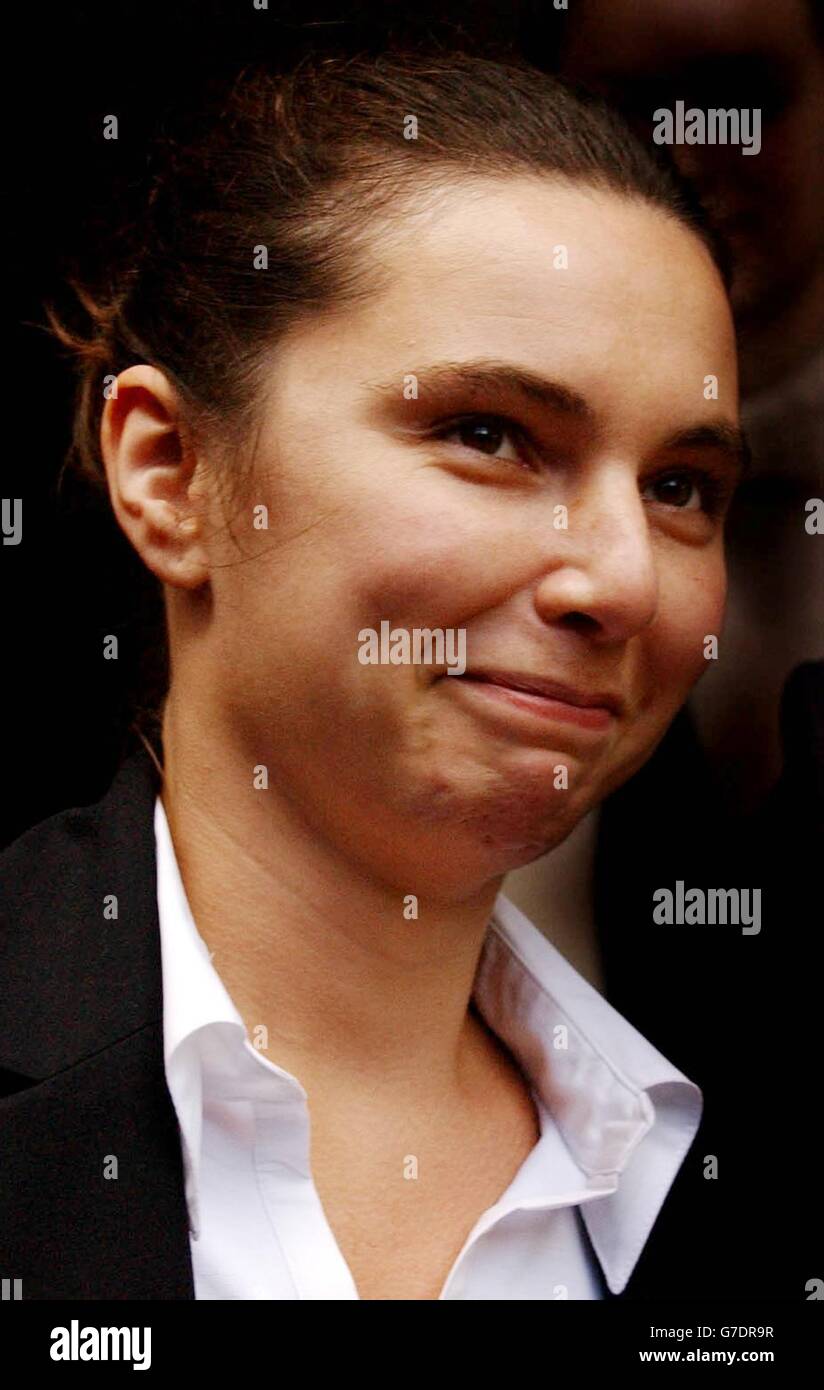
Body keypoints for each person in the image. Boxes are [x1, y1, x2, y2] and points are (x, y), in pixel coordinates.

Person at [0, 50, 748, 1300]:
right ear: (172, 473)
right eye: (488, 435)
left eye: (679, 487)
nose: (623, 580)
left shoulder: (723, 1174)